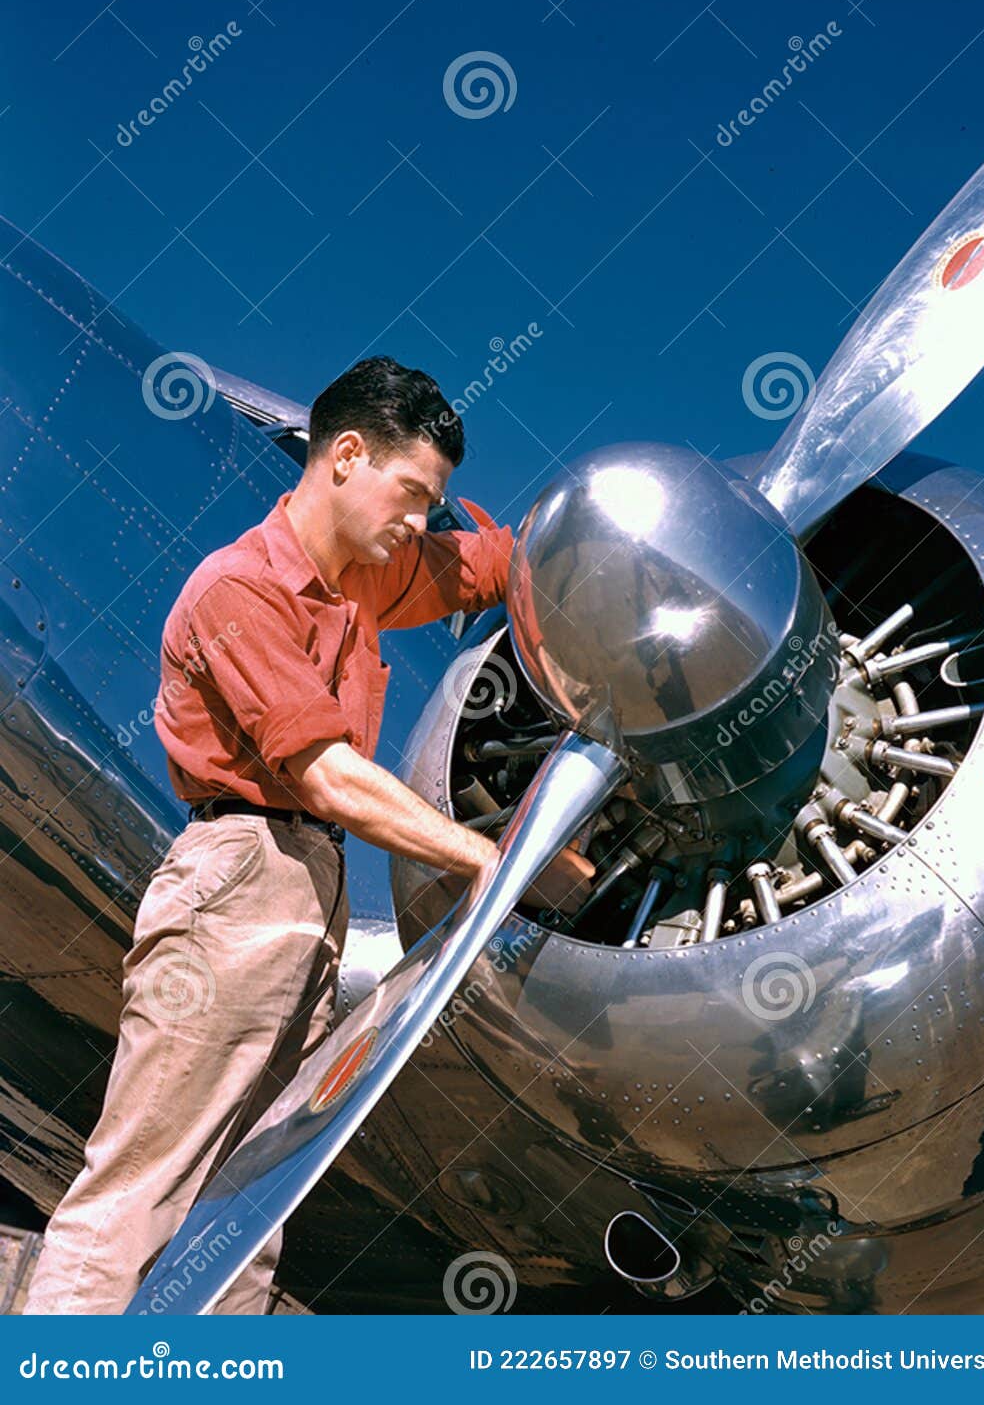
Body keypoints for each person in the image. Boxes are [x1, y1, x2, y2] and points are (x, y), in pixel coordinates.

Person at [24, 356, 592, 1314]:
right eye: (411, 493)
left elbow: (494, 567)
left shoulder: (365, 582)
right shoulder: (238, 588)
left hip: (311, 890)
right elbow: (325, 772)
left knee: (242, 1225)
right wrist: (493, 861)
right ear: (346, 456)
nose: (420, 520)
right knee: (137, 1191)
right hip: (235, 878)